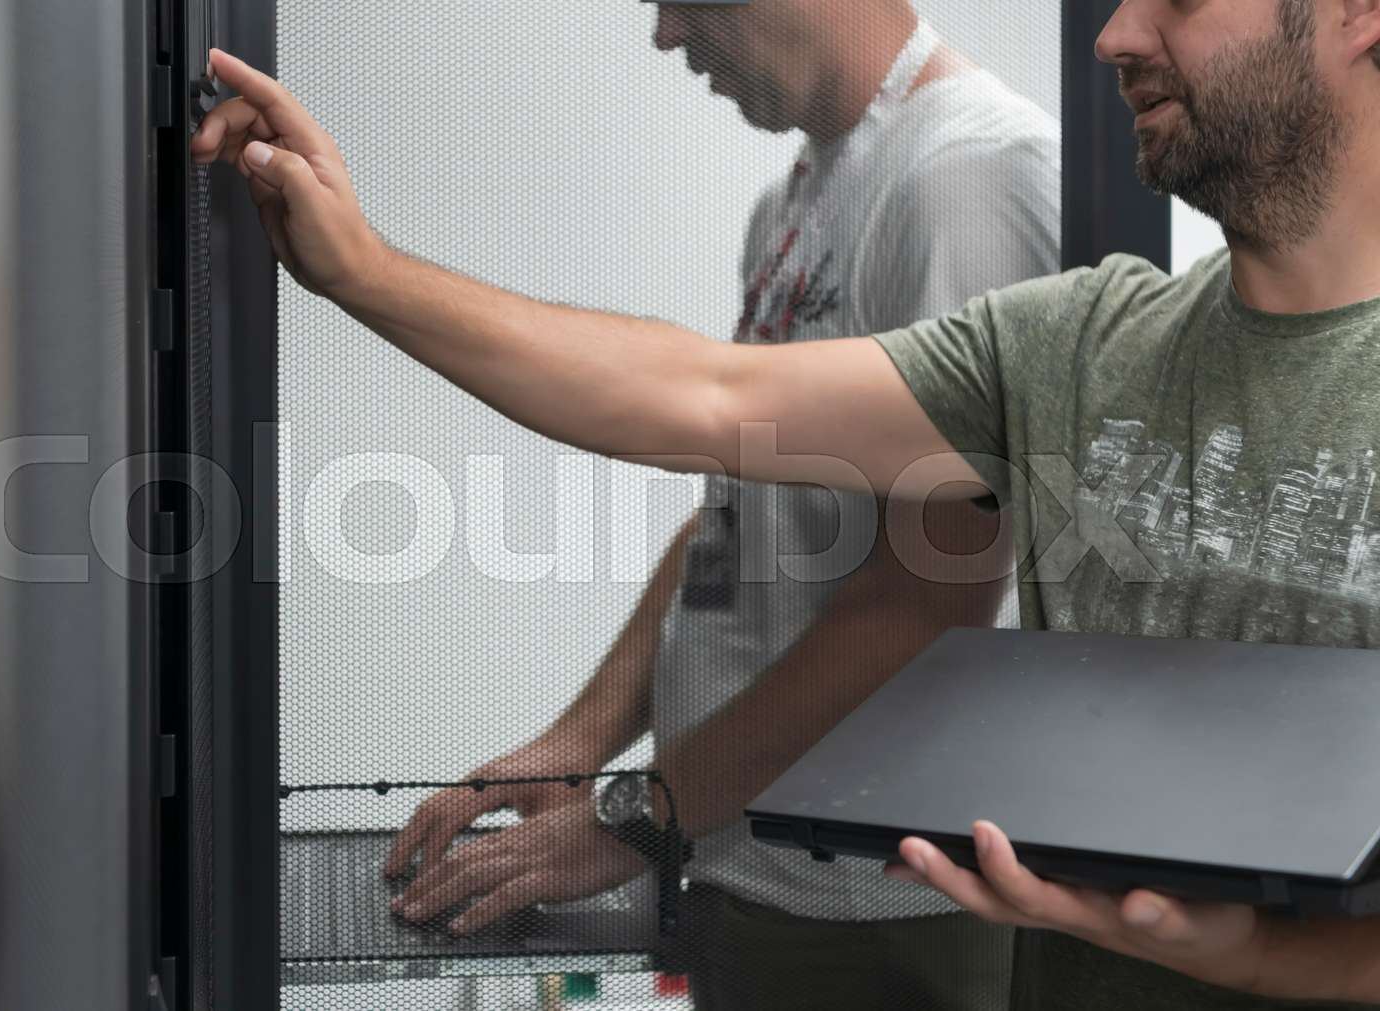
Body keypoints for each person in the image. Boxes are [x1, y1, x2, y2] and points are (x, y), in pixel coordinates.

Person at [192, 0, 1380, 1005]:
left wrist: (1264, 950)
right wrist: (363, 269)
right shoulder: (1086, 337)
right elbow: (705, 401)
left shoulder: (972, 171)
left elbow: (925, 592)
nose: (1115, 33)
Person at [248, 3, 1054, 1007]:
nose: (668, 37)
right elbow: (742, 513)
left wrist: (636, 816)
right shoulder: (803, 195)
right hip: (746, 860)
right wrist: (582, 743)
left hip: (888, 900)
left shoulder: (966, 177)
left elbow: (928, 600)